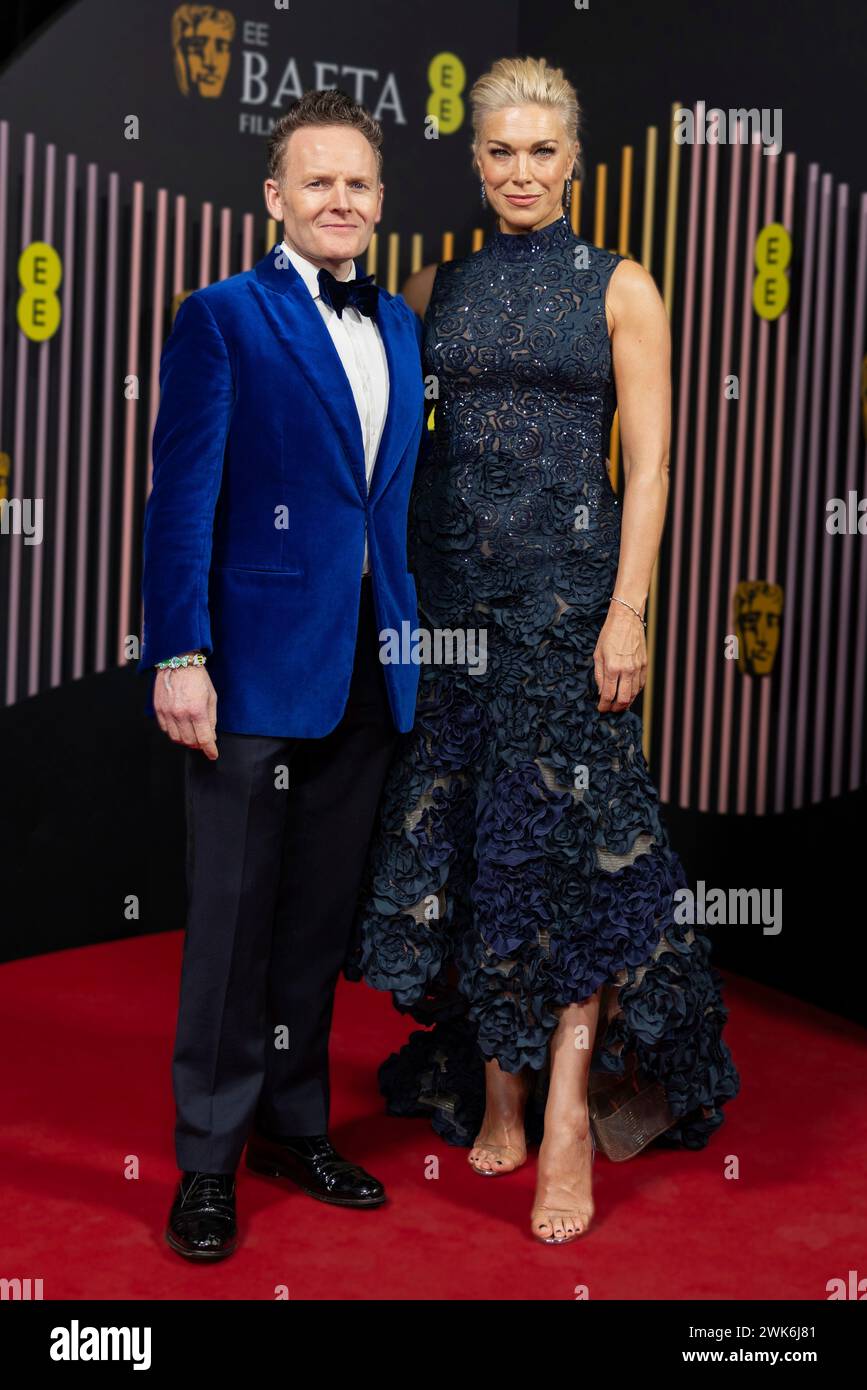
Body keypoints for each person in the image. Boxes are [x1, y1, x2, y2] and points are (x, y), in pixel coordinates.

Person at [349, 56, 740, 1245]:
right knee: (477, 849)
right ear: (477, 164)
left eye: (542, 152)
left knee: (573, 863)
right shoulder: (435, 284)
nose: (522, 172)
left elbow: (655, 466)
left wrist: (629, 608)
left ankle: (568, 1109)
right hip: (459, 610)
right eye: (500, 152)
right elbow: (398, 457)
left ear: (575, 162)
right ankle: (502, 1090)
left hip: (570, 615)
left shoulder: (623, 286)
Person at [138, 88, 425, 1260]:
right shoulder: (221, 316)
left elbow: (387, 503)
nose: (341, 201)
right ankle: (207, 1158)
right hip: (249, 668)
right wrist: (180, 652)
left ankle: (291, 1124)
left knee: (314, 920)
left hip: (370, 664)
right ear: (274, 197)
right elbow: (180, 500)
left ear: (378, 200)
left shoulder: (400, 324)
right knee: (232, 922)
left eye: (358, 183)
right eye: (319, 182)